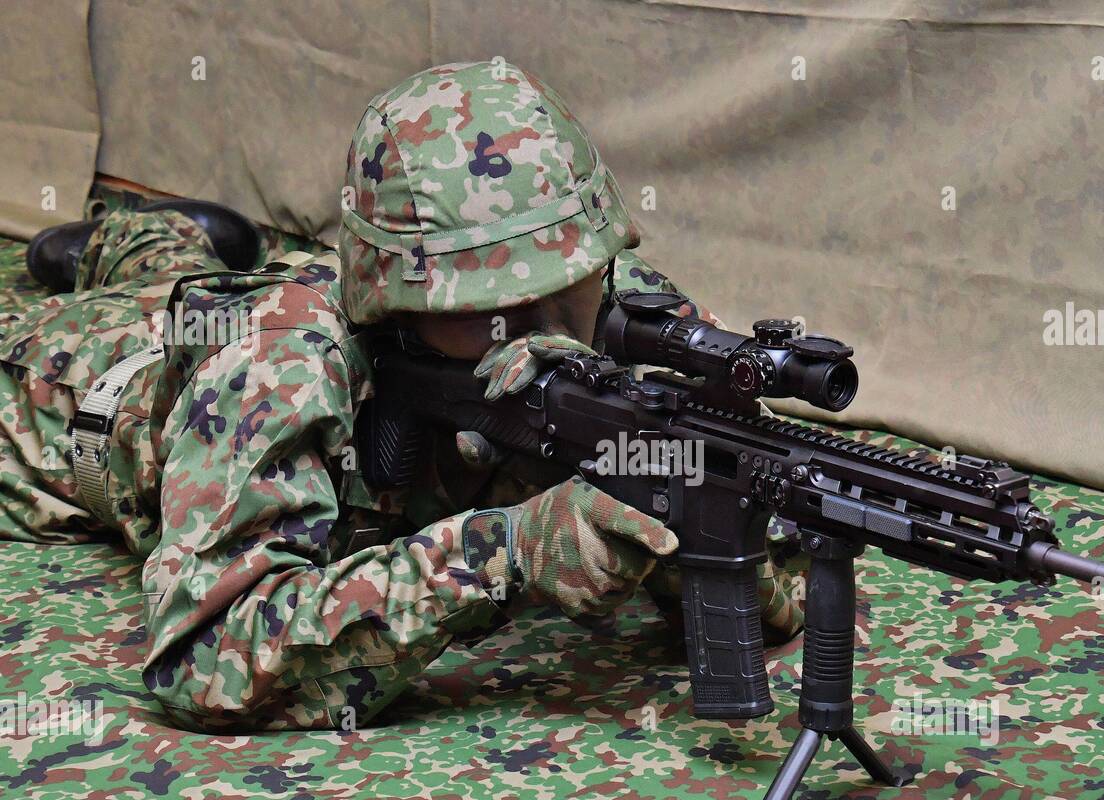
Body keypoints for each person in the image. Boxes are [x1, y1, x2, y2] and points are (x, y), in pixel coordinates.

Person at [0, 61, 804, 732]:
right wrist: (508, 553)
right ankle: (138, 246)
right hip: (74, 391)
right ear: (394, 306)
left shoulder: (619, 308)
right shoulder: (283, 367)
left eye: (564, 290)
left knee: (187, 270)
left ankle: (159, 237)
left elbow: (769, 562)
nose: (541, 336)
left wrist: (688, 508)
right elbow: (204, 657)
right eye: (488, 311)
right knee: (111, 325)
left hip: (248, 303)